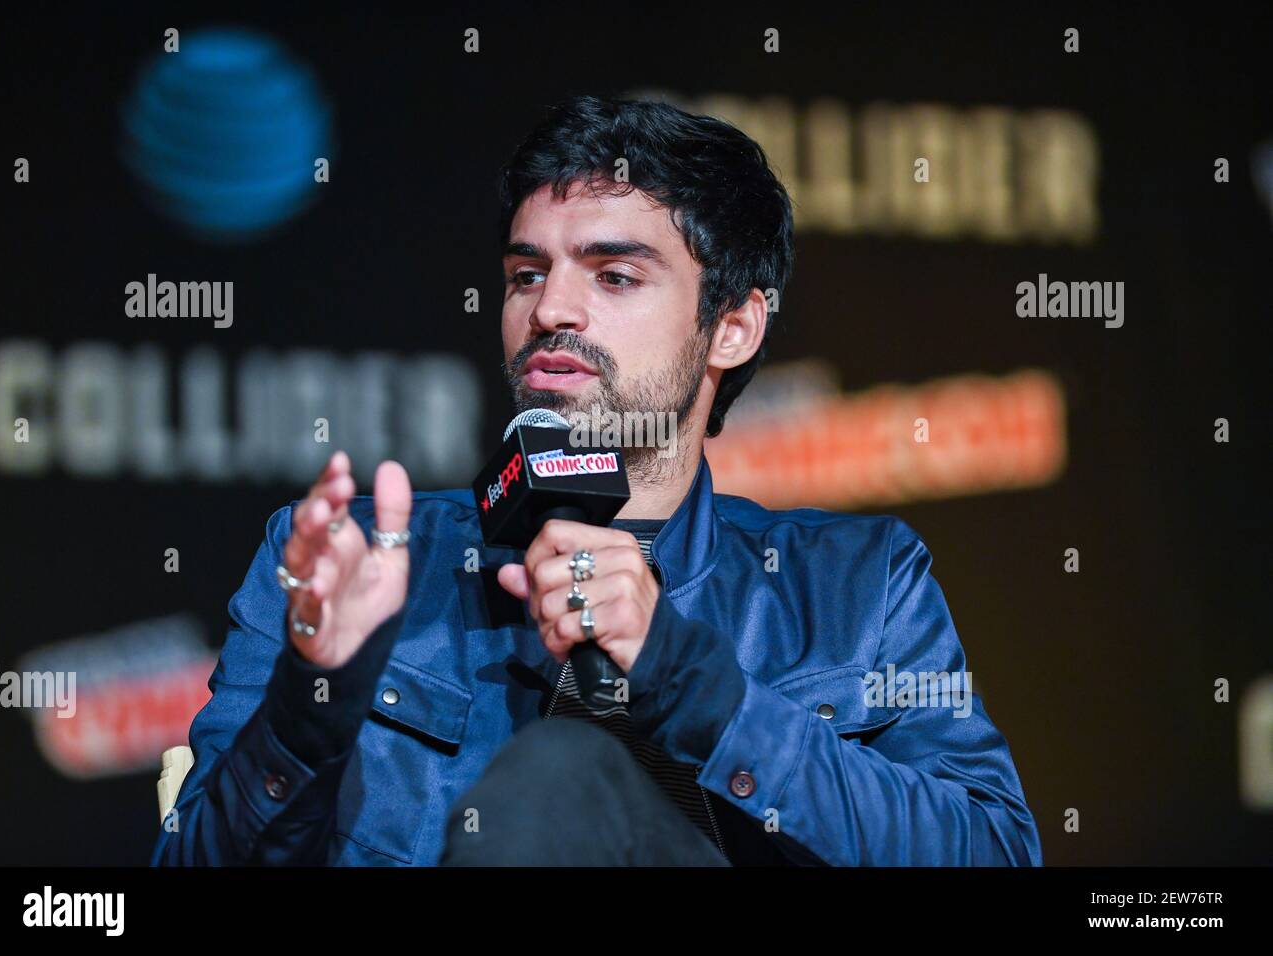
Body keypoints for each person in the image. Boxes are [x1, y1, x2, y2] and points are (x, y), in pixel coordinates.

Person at [152, 94, 1042, 866]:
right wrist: (313, 703)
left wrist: (685, 674)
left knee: (562, 777)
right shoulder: (357, 559)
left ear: (731, 327)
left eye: (615, 275)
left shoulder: (856, 583)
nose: (549, 311)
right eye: (526, 274)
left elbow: (991, 852)